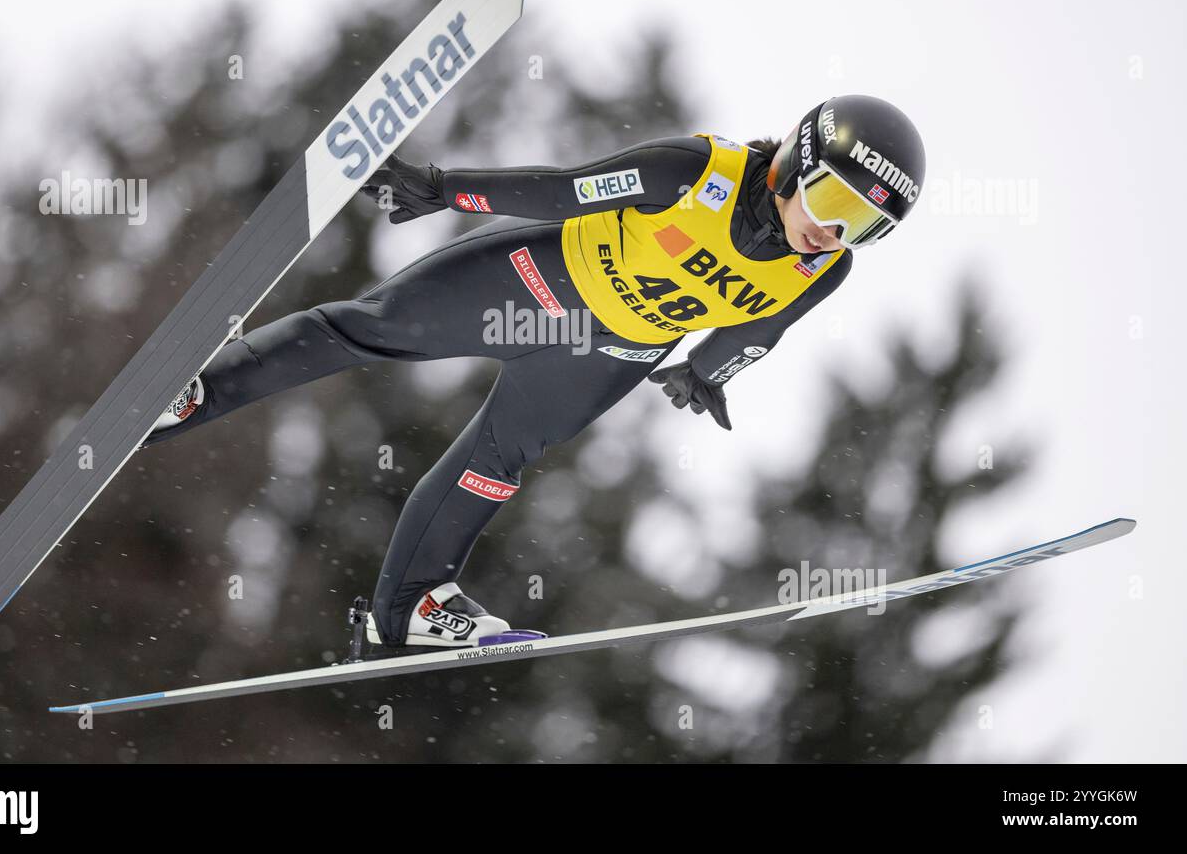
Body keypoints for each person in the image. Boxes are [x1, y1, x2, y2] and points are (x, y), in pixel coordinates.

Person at [143, 94, 926, 649]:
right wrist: (446, 190)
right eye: (830, 200)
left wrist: (710, 372)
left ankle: (409, 606)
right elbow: (564, 191)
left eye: (863, 225)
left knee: (497, 463)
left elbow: (762, 323)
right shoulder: (697, 174)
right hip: (533, 284)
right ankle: (195, 392)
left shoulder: (821, 270)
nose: (829, 231)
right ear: (797, 160)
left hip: (607, 355)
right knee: (369, 332)